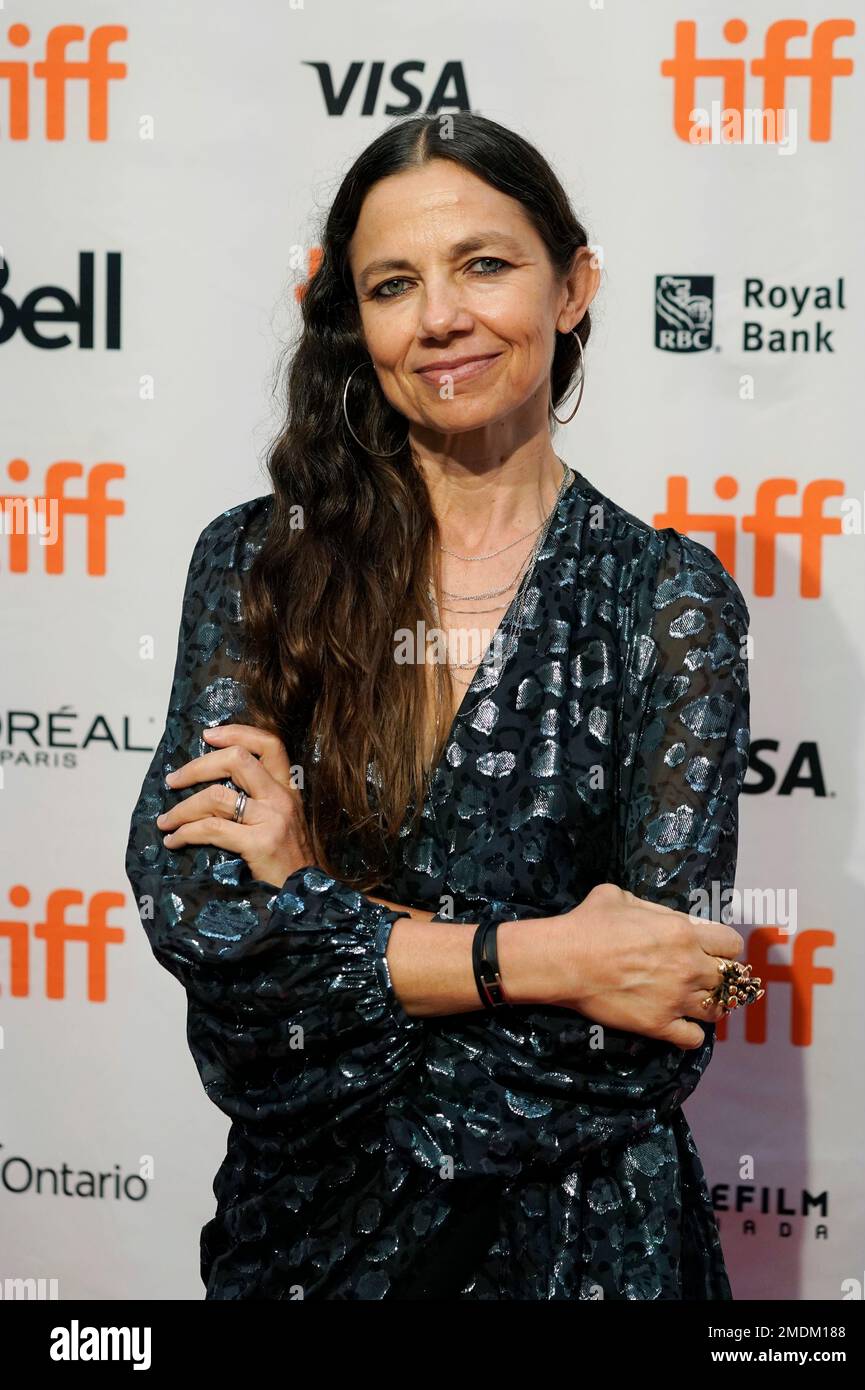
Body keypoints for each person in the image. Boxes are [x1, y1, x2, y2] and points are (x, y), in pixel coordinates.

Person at [125, 112, 760, 1300]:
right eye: (392, 283)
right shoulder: (258, 565)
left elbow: (657, 1007)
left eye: (484, 264)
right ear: (351, 319)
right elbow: (207, 929)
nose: (439, 319)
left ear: (572, 286)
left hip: (579, 1249)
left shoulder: (667, 599)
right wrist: (548, 952)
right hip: (300, 1238)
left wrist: (312, 895)